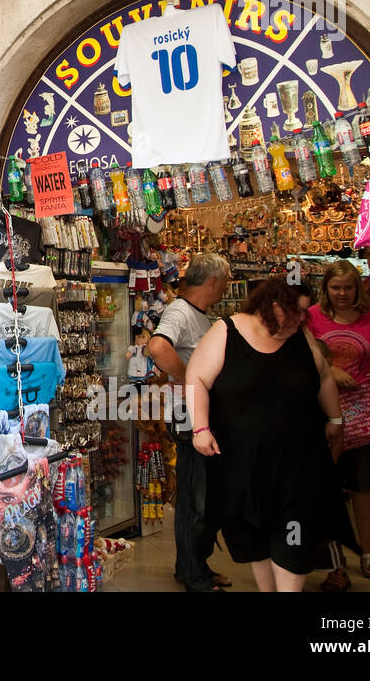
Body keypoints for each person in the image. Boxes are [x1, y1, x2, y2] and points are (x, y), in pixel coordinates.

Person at [186, 278, 357, 592]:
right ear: (274, 306)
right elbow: (196, 376)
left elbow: (322, 376)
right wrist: (200, 428)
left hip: (298, 467)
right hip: (244, 467)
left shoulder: (301, 336)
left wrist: (335, 419)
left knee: (293, 536)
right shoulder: (228, 331)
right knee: (255, 537)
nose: (305, 319)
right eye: (299, 311)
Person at [146, 252, 232, 593]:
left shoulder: (198, 315)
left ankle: (197, 565)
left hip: (198, 417)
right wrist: (187, 379)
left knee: (206, 499)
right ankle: (192, 574)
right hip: (187, 418)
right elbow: (157, 347)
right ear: (212, 282)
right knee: (194, 500)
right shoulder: (180, 311)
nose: (225, 289)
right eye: (224, 283)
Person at [306, 260, 370, 588]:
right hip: (324, 416)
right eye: (335, 288)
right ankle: (335, 562)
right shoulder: (312, 317)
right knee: (328, 488)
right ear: (325, 288)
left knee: (362, 485)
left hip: (365, 413)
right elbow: (301, 356)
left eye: (348, 287)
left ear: (359, 288)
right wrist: (328, 370)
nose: (341, 294)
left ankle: (367, 552)